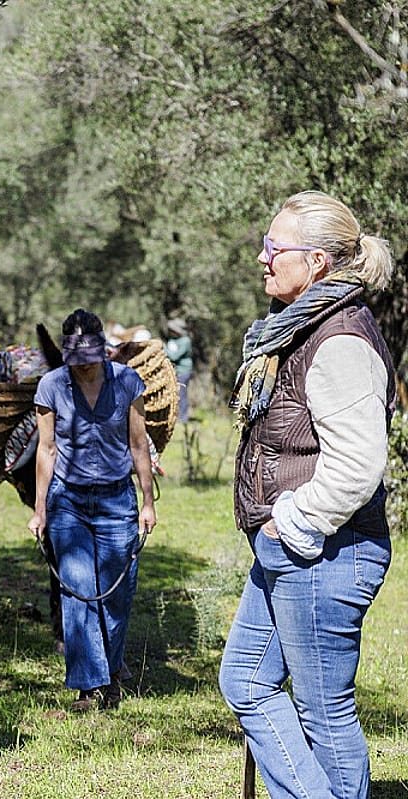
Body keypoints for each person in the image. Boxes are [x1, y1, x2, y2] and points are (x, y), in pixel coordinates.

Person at [220, 190, 396, 799]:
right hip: (296, 553)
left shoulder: (339, 341)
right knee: (245, 680)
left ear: (316, 261)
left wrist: (292, 518)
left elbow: (359, 464)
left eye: (275, 248)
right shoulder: (298, 329)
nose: (263, 259)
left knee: (324, 713)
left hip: (327, 551)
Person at [27, 309, 156, 712]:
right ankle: (88, 686)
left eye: (90, 360)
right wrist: (40, 509)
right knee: (79, 589)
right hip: (68, 500)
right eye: (76, 361)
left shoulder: (128, 383)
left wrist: (147, 503)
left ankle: (112, 674)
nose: (84, 369)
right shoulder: (51, 387)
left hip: (117, 500)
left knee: (118, 594)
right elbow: (46, 450)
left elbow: (139, 446)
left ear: (103, 352)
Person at [164, 318, 193, 423]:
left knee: (181, 393)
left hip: (184, 371)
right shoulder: (172, 340)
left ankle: (183, 418)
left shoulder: (185, 341)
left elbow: (175, 356)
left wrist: (164, 349)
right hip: (175, 371)